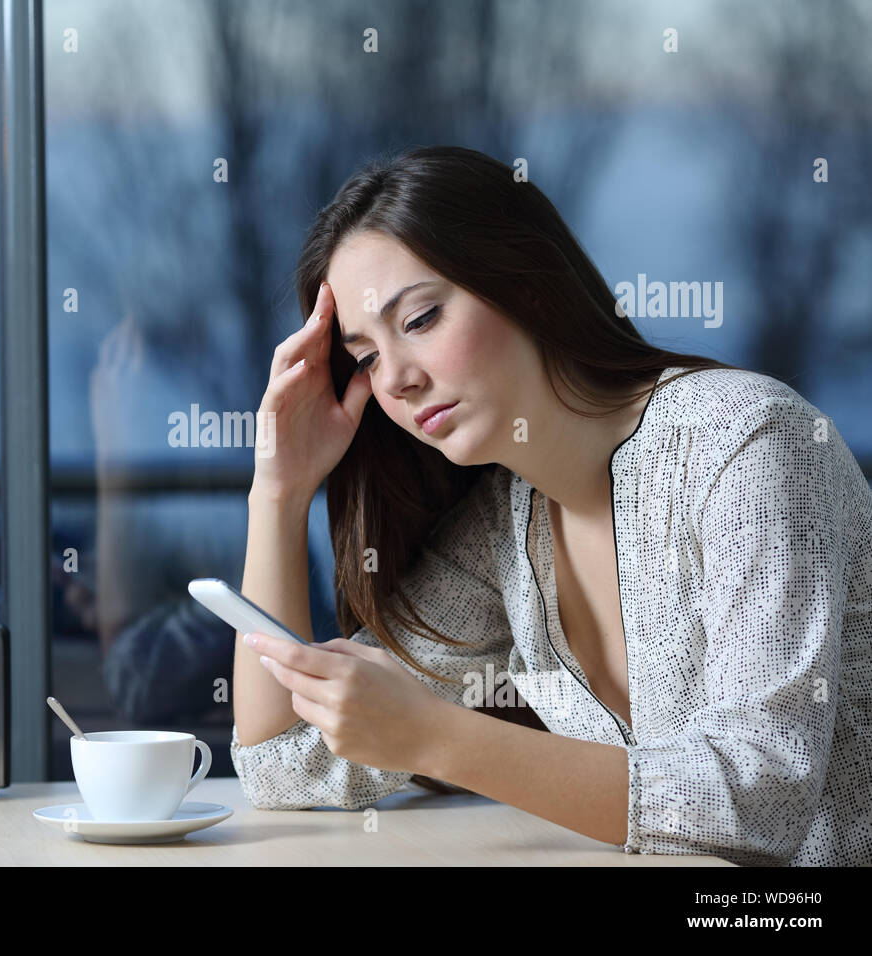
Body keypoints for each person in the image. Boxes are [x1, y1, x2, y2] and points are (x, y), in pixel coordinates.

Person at [230, 144, 872, 867]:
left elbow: (760, 801)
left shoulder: (745, 444)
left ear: (526, 286)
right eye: (367, 356)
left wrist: (436, 735)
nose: (398, 380)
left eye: (420, 319)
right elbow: (285, 764)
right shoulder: (508, 527)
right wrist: (279, 492)